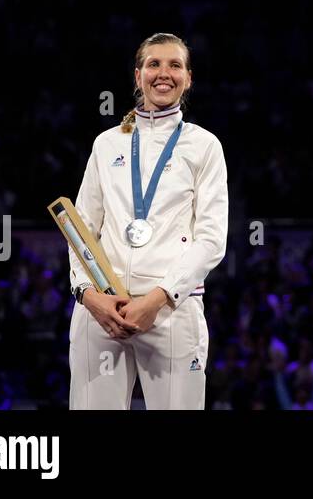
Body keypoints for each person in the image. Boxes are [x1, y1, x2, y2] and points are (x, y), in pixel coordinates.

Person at [67, 32, 229, 409]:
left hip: (172, 311)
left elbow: (211, 238)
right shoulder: (106, 144)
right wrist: (87, 295)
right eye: (153, 64)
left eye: (175, 65)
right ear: (138, 74)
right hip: (103, 311)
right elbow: (80, 230)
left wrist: (158, 299)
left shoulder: (204, 145)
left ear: (188, 78)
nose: (164, 73)